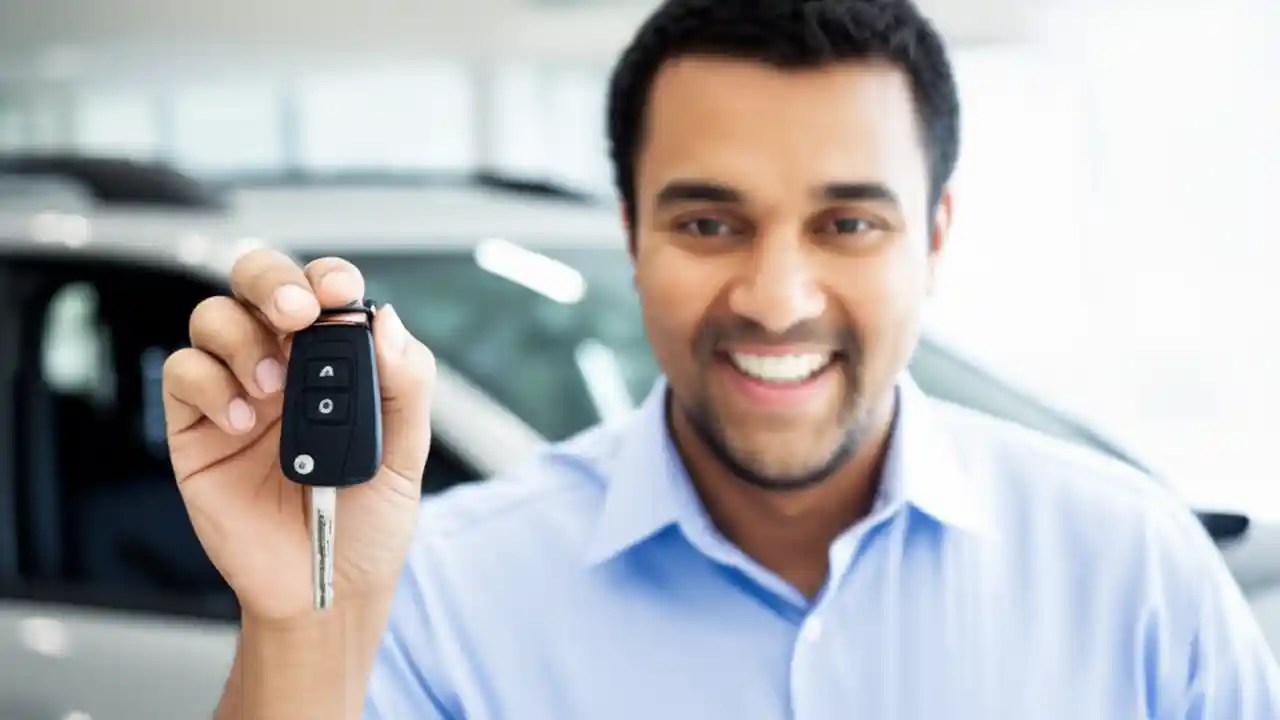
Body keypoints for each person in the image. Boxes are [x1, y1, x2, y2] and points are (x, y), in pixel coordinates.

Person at [163, 0, 1280, 717]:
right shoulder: (436, 594)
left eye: (847, 223)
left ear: (932, 239)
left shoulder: (1133, 571)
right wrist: (303, 625)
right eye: (708, 224)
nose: (776, 301)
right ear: (632, 232)